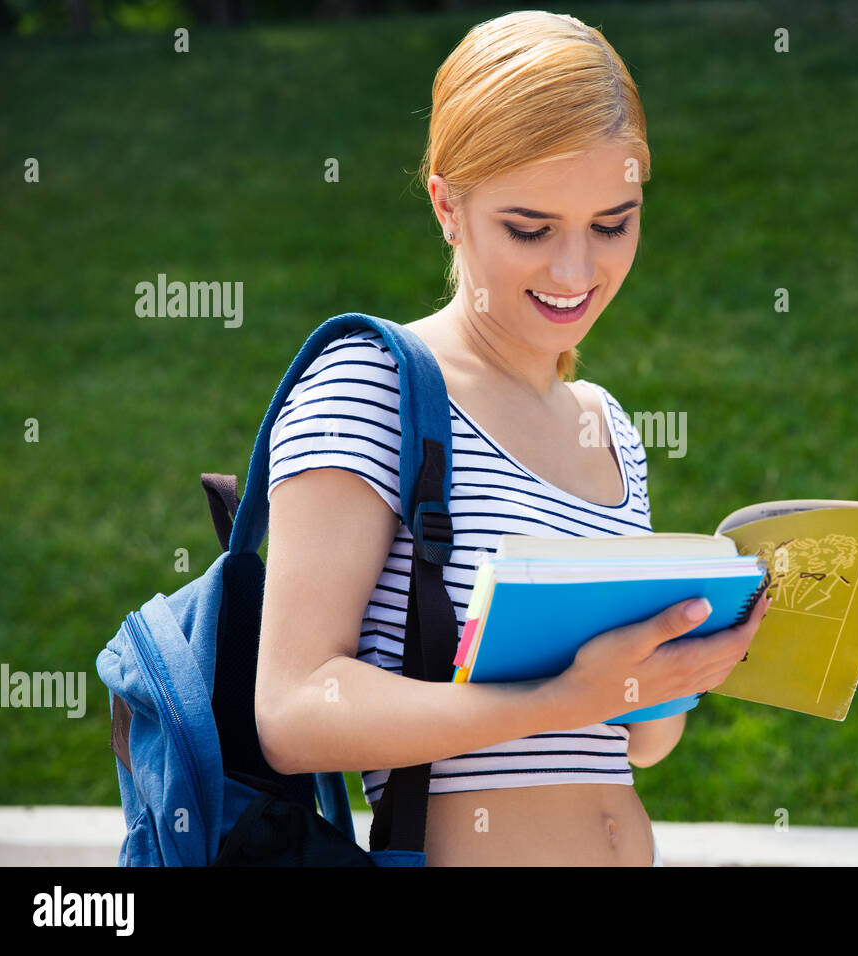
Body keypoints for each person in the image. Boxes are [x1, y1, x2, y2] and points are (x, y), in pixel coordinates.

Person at [253, 10, 769, 867]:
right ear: (447, 206)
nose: (576, 272)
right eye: (530, 229)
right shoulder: (373, 383)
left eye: (613, 224)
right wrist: (560, 695)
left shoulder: (608, 425)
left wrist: (677, 665)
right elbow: (293, 710)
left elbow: (635, 747)